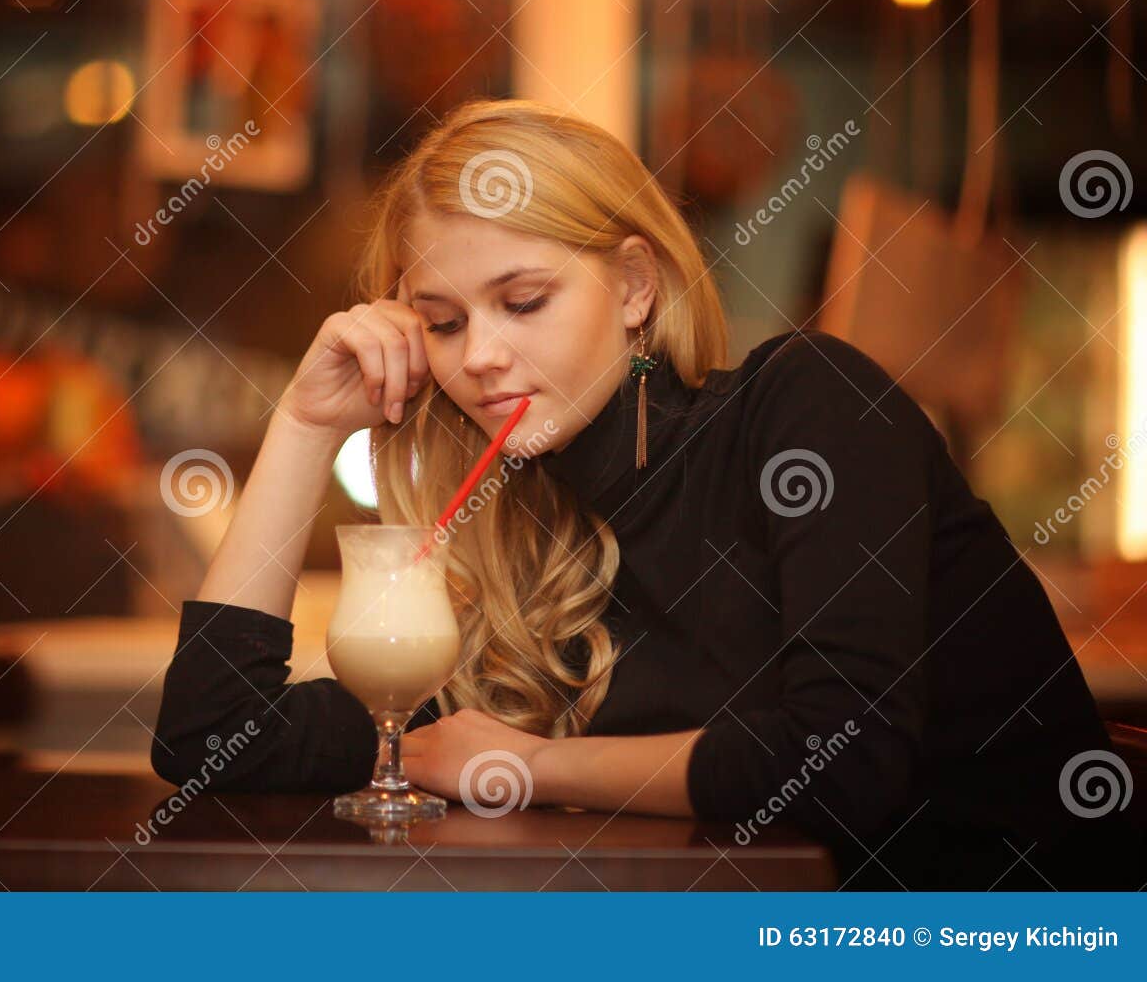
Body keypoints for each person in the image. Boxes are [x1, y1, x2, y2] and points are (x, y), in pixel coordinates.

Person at [151, 98, 1142, 890]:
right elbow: (211, 740)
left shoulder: (804, 406)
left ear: (633, 286)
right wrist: (304, 424)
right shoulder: (525, 549)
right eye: (442, 322)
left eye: (523, 300)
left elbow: (843, 765)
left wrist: (520, 763)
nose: (483, 355)